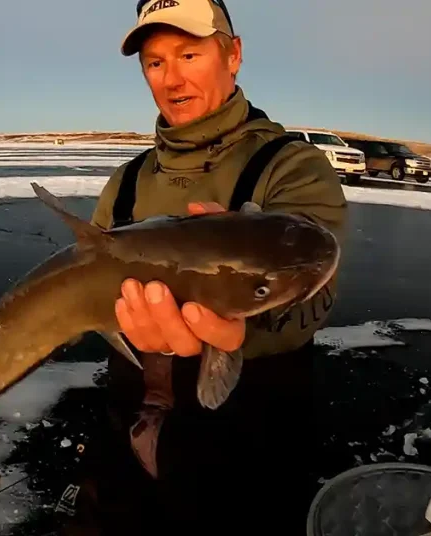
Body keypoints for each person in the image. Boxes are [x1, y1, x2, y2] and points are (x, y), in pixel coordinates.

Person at [56, 0, 349, 534]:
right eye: (155, 62)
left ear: (232, 55)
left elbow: (316, 288)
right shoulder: (125, 182)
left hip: (244, 445)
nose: (172, 79)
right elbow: (72, 293)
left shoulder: (289, 166)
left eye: (190, 54)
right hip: (126, 429)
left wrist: (242, 324)